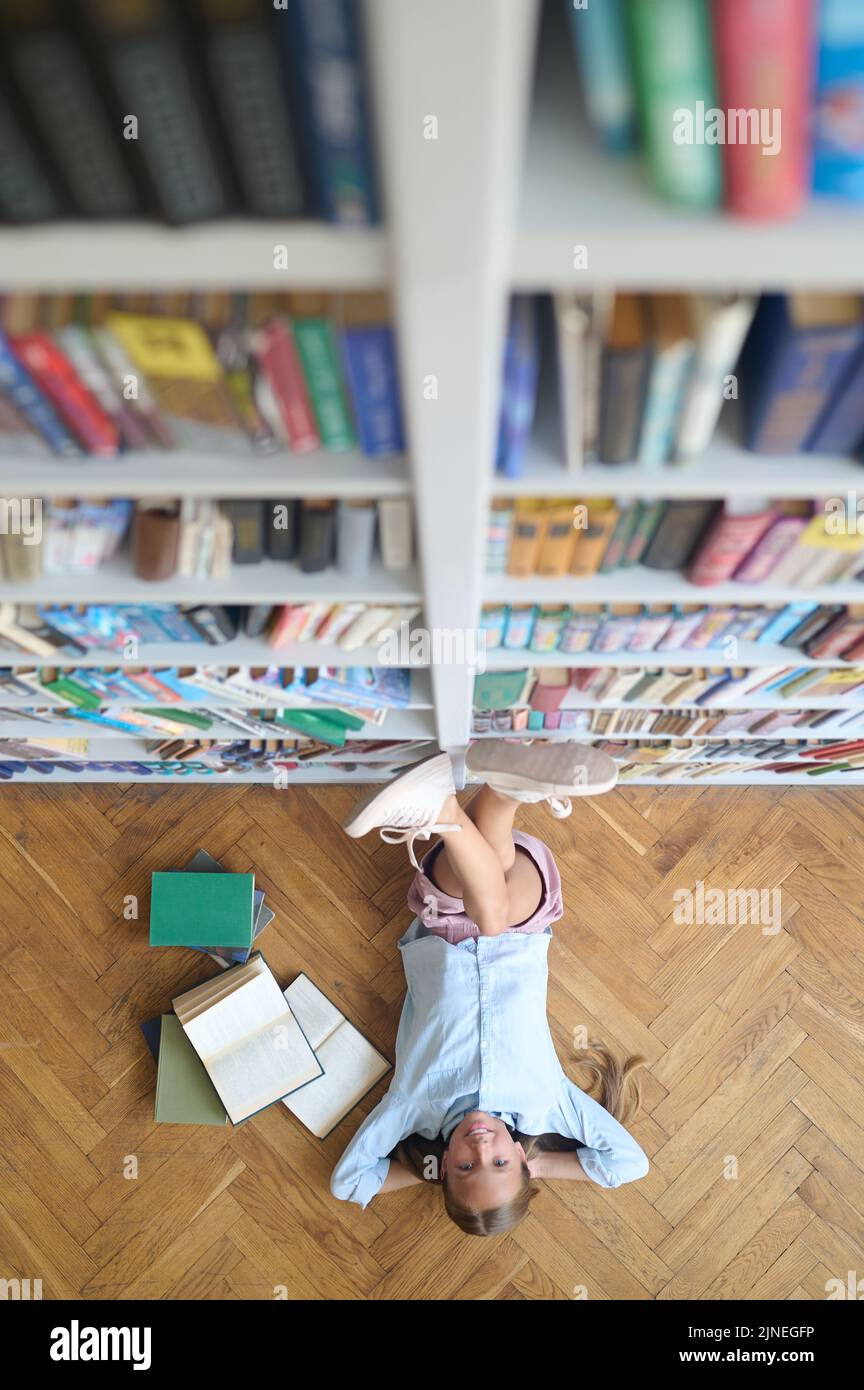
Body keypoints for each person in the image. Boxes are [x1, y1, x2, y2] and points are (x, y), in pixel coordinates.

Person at [330, 742, 649, 1236]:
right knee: (497, 912)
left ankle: (503, 790)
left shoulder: (414, 1106)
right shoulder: (548, 1102)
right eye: (500, 1163)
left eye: (464, 1167)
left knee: (487, 896)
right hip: (525, 919)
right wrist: (537, 1167)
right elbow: (629, 1164)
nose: (481, 1149)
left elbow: (349, 1183)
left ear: (445, 1166)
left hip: (443, 917)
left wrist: (425, 1171)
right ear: (519, 1155)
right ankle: (448, 803)